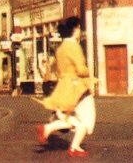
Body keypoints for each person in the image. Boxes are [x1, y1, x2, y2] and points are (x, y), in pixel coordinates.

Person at [37, 17, 97, 158]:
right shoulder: (74, 46)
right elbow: (81, 69)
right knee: (88, 120)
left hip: (64, 86)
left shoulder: (60, 48)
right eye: (78, 28)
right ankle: (63, 138)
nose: (80, 31)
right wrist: (89, 73)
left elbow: (57, 69)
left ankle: (53, 131)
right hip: (78, 86)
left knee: (70, 116)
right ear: (75, 29)